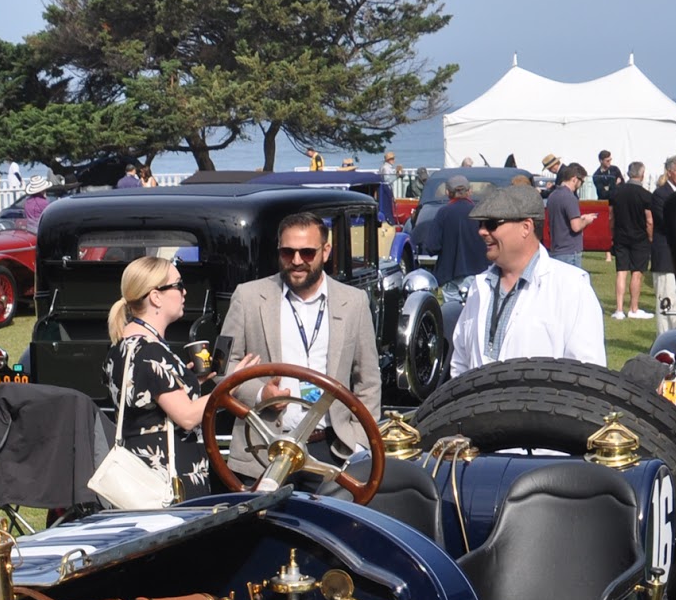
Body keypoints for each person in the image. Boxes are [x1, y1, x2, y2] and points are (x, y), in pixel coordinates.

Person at [220, 210, 381, 480]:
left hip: (332, 450)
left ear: (325, 251)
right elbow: (224, 367)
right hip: (263, 450)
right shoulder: (248, 297)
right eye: (287, 252)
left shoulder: (354, 302)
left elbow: (368, 378)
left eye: (307, 253)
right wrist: (261, 396)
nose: (296, 261)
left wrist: (360, 442)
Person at [105, 258, 243, 498]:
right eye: (178, 285)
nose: (184, 291)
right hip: (169, 481)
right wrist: (234, 384)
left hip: (140, 475)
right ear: (156, 297)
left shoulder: (121, 347)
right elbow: (187, 416)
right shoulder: (150, 352)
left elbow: (147, 403)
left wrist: (190, 381)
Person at [448, 182, 605, 375]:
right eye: (480, 224)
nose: (482, 231)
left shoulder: (571, 287)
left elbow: (588, 375)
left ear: (526, 227)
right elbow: (460, 363)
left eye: (491, 224)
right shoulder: (478, 287)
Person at [415, 174, 485, 282]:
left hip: (449, 275)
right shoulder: (479, 212)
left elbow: (432, 247)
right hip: (478, 274)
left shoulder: (443, 213)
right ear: (469, 191)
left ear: (447, 193)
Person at [609, 161, 656, 320]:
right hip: (640, 238)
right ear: (642, 175)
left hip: (621, 236)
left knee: (621, 272)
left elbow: (611, 217)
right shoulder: (645, 195)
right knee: (637, 273)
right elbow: (649, 220)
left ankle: (619, 309)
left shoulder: (616, 192)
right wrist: (651, 238)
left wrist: (612, 233)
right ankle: (634, 308)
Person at [650, 154, 676, 330]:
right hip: (665, 258)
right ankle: (664, 339)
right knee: (665, 302)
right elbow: (666, 222)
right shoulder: (660, 194)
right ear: (670, 172)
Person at [545, 162, 596, 267]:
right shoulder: (570, 197)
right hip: (569, 251)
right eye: (581, 181)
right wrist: (586, 221)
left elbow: (562, 219)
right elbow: (576, 227)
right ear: (574, 179)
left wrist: (580, 218)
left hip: (556, 249)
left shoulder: (552, 196)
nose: (581, 185)